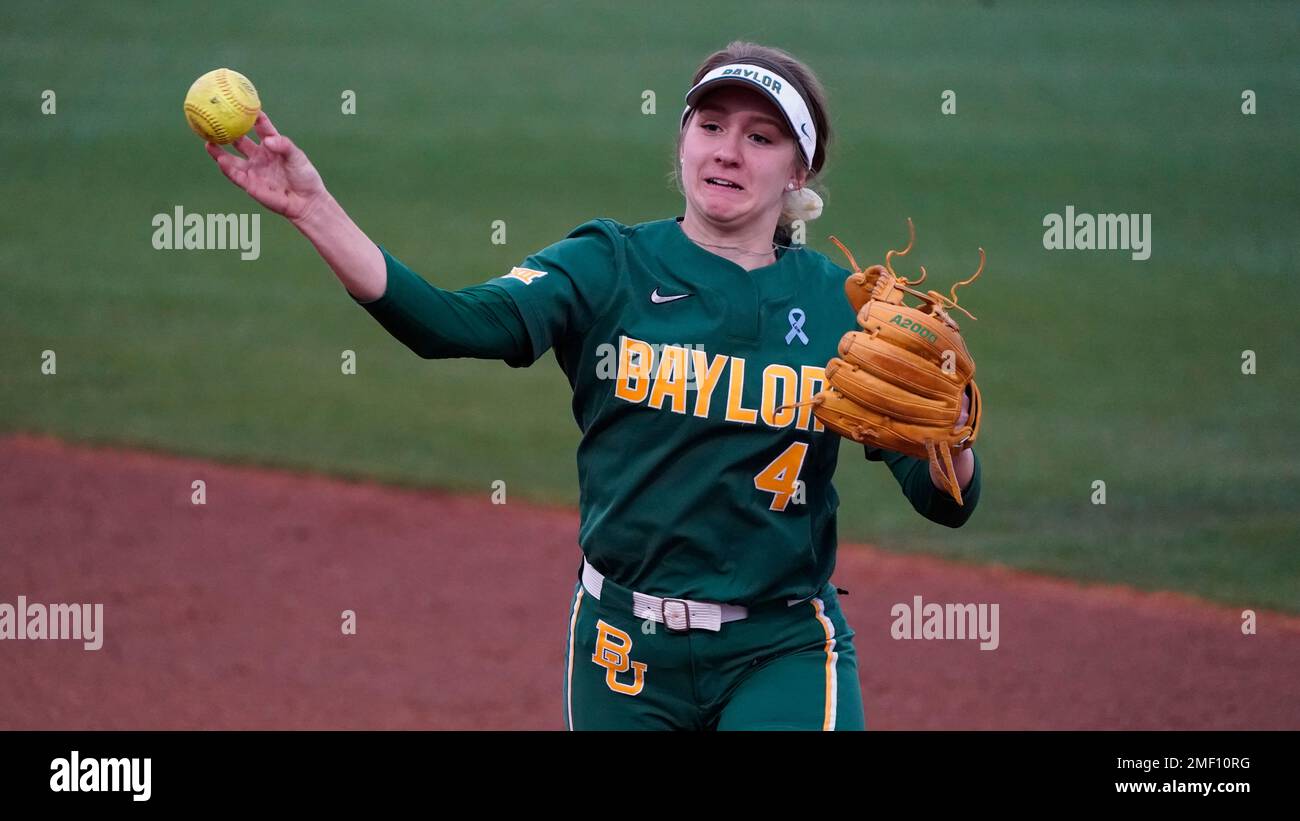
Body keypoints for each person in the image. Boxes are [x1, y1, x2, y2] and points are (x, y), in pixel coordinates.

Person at [205, 40, 981, 731]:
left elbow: (946, 501)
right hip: (620, 650)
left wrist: (952, 430)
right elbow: (451, 323)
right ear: (681, 139)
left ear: (797, 170)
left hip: (779, 648)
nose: (728, 152)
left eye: (761, 137)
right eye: (710, 127)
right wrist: (313, 207)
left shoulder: (842, 307)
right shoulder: (606, 265)